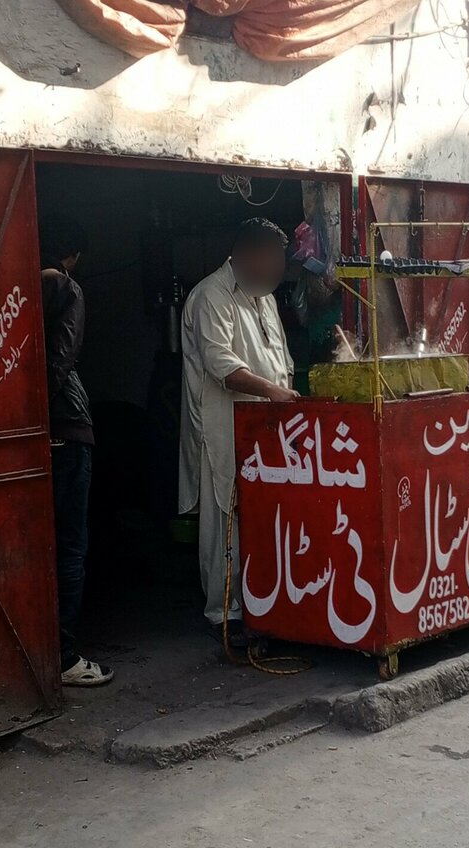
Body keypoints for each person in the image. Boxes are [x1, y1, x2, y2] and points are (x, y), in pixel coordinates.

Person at [179, 218, 299, 644]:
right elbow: (221, 365)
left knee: (263, 517)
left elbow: (278, 357)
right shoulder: (212, 294)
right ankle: (223, 614)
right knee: (224, 518)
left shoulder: (261, 296)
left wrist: (281, 392)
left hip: (265, 425)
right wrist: (270, 390)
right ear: (248, 254)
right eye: (272, 262)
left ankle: (259, 603)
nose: (276, 272)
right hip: (223, 425)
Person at [40, 215, 114, 686]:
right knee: (70, 545)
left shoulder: (16, 288)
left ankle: (36, 655)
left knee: (39, 545)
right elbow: (60, 361)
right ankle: (65, 658)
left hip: (33, 432)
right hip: (68, 427)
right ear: (74, 256)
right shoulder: (66, 287)